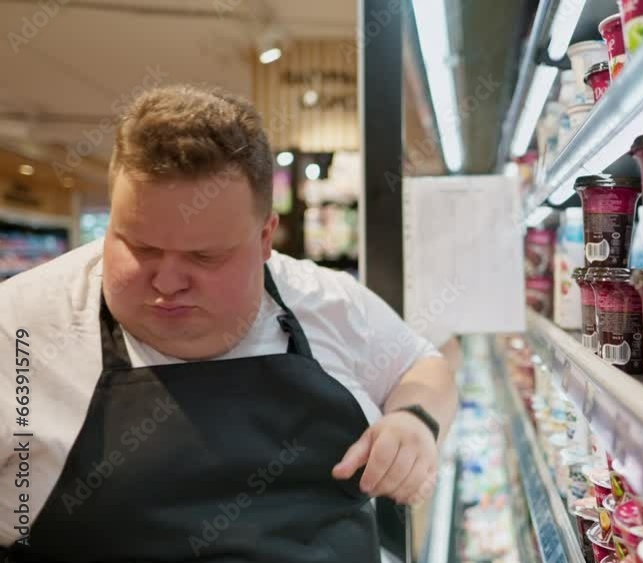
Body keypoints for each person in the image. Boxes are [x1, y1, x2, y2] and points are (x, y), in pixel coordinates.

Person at [0, 85, 458, 562]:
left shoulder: (324, 300)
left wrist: (414, 420)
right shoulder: (21, 331)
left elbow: (422, 365)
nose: (169, 280)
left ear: (265, 239)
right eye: (140, 247)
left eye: (205, 256)